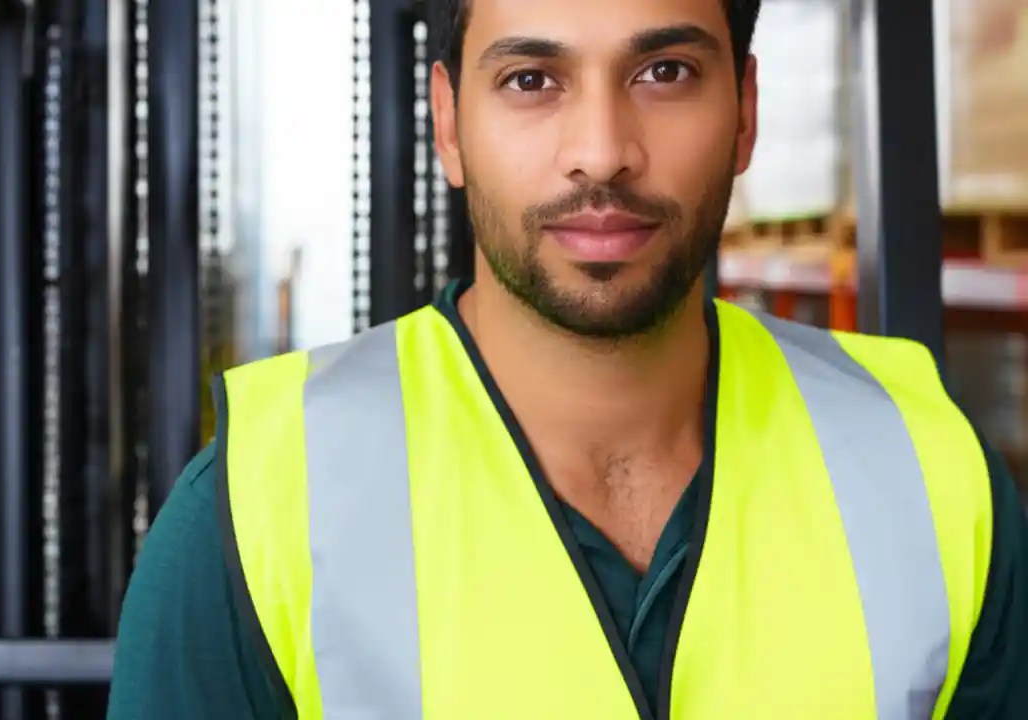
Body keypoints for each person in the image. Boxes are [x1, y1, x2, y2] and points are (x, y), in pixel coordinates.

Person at [109, 0, 1028, 717]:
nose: (602, 153)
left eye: (665, 71)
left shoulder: (933, 478)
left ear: (746, 114)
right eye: (531, 80)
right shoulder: (250, 517)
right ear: (448, 124)